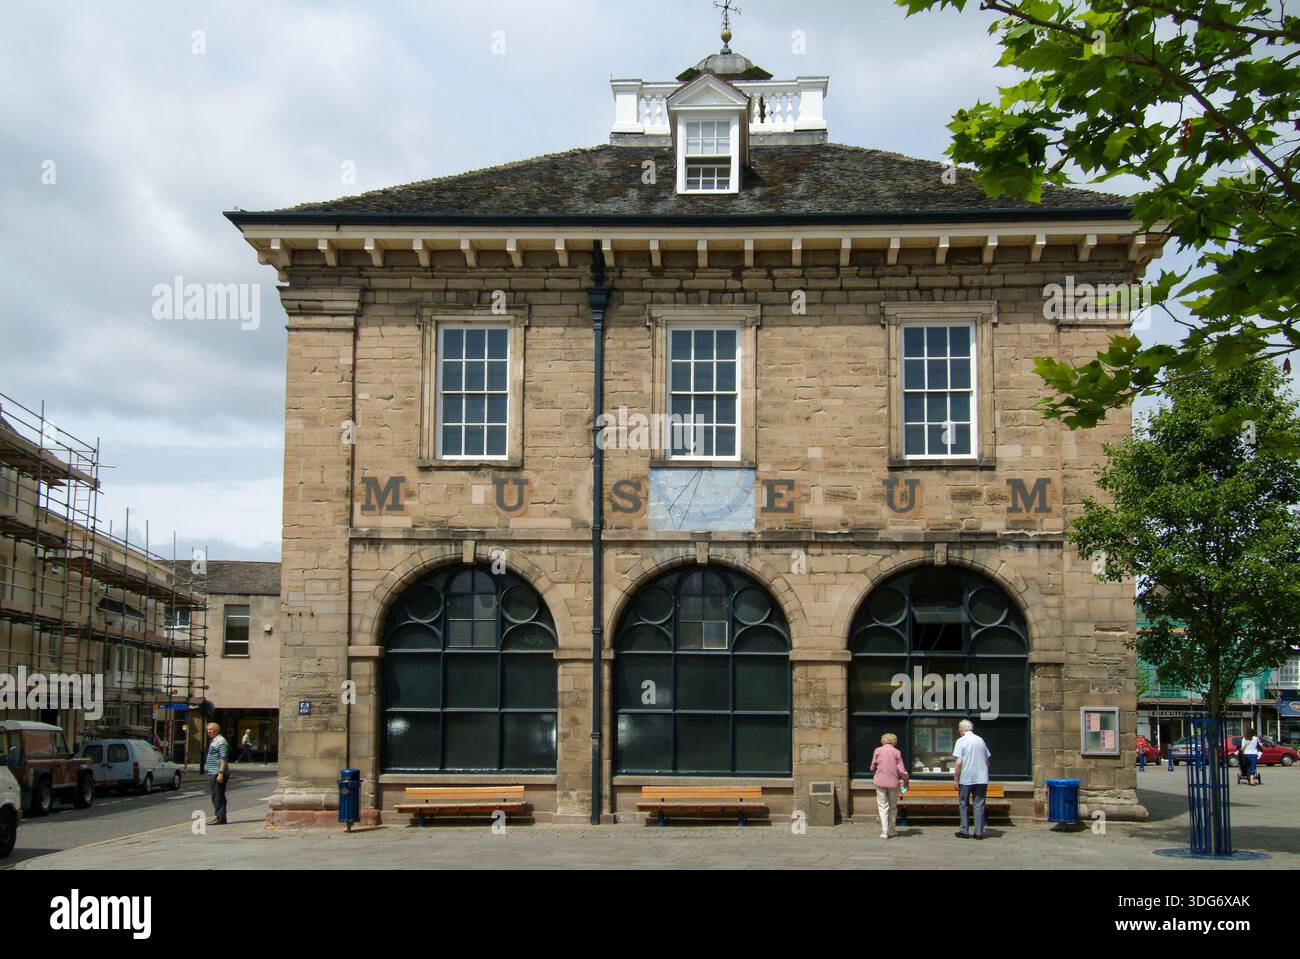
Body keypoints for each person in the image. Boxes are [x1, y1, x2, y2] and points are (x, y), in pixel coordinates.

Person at [952, 719, 991, 839]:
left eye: (959, 729)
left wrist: (955, 779)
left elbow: (959, 762)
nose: (959, 731)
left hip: (966, 778)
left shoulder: (961, 741)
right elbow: (987, 762)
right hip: (981, 778)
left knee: (964, 804)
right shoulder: (980, 740)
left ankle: (964, 831)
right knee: (979, 804)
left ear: (962, 729)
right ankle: (978, 832)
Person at [869, 732, 910, 839]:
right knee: (893, 806)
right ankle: (892, 830)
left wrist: (876, 768)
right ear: (894, 741)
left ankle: (884, 831)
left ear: (883, 741)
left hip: (880, 781)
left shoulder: (877, 750)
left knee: (882, 806)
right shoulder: (897, 752)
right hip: (893, 782)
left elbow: (873, 767)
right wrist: (906, 781)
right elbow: (901, 770)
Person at [204, 722, 230, 825]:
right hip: (214, 772)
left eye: (211, 729)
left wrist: (221, 773)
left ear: (216, 730)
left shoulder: (221, 741)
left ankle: (220, 818)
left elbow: (224, 758)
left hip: (218, 772)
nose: (209, 731)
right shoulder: (215, 741)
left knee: (218, 796)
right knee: (217, 796)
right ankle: (220, 817)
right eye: (208, 730)